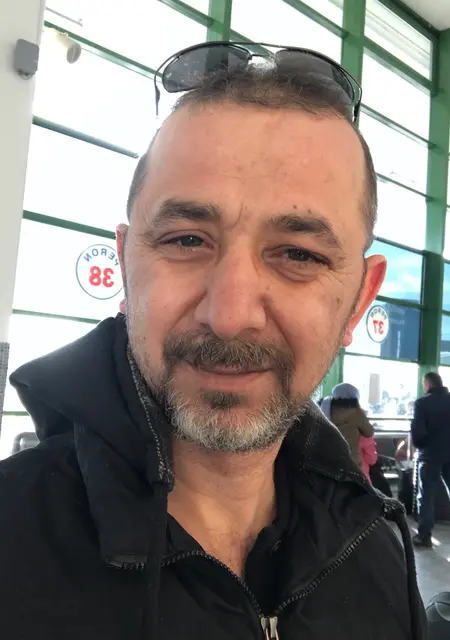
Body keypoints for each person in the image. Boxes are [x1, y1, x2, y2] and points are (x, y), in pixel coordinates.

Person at [0, 42, 425, 639]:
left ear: (358, 298)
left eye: (299, 254)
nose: (229, 315)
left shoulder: (377, 547)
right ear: (126, 266)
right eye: (186, 240)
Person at [411, 372, 450, 548]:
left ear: (427, 384)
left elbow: (418, 433)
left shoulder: (422, 403)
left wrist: (421, 446)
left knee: (426, 496)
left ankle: (424, 536)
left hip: (430, 455)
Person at [320, 383, 374, 469]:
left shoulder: (324, 408)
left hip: (328, 459)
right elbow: (369, 432)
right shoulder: (355, 411)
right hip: (350, 460)